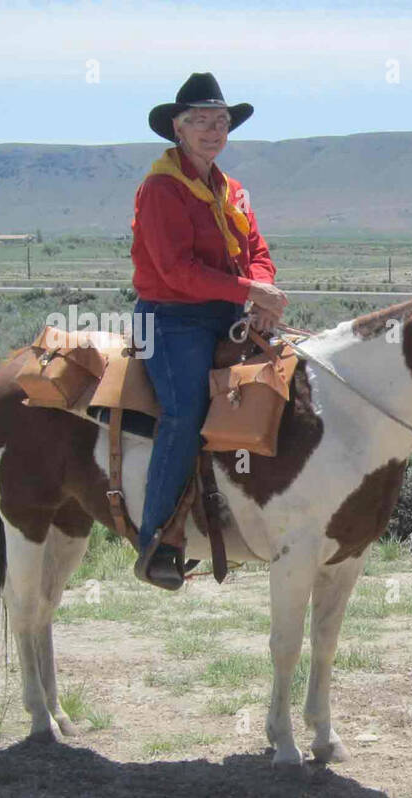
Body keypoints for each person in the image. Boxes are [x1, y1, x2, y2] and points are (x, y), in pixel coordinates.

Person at [130, 72, 287, 590]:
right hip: (170, 317)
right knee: (185, 410)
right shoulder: (162, 188)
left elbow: (258, 251)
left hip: (226, 310)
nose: (213, 130)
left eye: (220, 122)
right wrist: (249, 293)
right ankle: (157, 539)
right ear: (178, 128)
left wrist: (260, 292)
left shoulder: (232, 191)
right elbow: (174, 271)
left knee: (285, 383)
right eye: (200, 121)